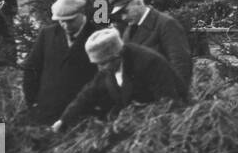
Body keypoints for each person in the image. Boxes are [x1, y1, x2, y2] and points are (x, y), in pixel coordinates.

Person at [53, 29, 186, 132]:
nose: (100, 69)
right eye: (97, 64)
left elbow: (168, 101)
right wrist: (64, 120)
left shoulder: (149, 62)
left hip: (174, 120)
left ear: (117, 56)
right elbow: (87, 94)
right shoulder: (108, 68)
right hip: (137, 122)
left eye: (103, 63)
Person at [22, 0, 100, 126]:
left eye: (70, 20)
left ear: (82, 13)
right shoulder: (47, 34)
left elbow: (103, 77)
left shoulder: (97, 35)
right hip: (46, 112)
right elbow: (31, 68)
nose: (65, 25)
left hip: (82, 116)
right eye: (61, 21)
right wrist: (33, 102)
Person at [108, 0, 193, 98]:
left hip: (163, 97)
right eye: (120, 14)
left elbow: (181, 64)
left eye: (125, 11)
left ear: (138, 3)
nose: (123, 17)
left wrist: (176, 99)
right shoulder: (129, 29)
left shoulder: (166, 24)